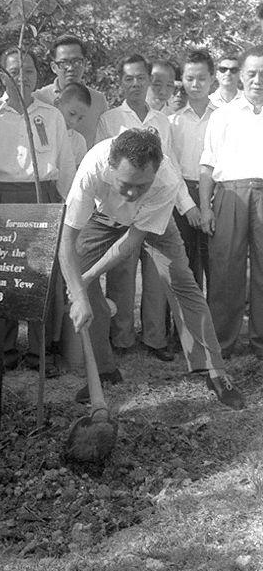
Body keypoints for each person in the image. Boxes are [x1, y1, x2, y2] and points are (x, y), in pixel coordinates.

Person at [58, 128, 244, 410]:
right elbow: (66, 242)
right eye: (125, 184)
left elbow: (130, 242)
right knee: (77, 276)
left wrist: (87, 278)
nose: (132, 193)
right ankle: (104, 371)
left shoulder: (167, 179)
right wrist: (80, 290)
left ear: (155, 173)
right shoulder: (92, 168)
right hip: (104, 217)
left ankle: (215, 371)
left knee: (182, 282)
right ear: (110, 166)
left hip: (152, 225)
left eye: (141, 186)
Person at [96, 54, 199, 362]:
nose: (135, 83)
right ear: (121, 82)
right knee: (122, 275)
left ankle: (155, 339)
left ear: (148, 79)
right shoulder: (110, 119)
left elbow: (171, 168)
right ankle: (123, 338)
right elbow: (105, 169)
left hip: (157, 210)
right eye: (128, 78)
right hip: (123, 208)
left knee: (157, 275)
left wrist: (188, 205)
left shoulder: (160, 120)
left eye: (141, 77)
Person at [0, 47, 76, 372]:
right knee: (4, 276)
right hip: (4, 196)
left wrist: (67, 208)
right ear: (2, 77)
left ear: (38, 76)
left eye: (29, 71)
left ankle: (41, 351)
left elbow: (64, 166)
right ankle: (4, 349)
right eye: (14, 71)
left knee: (42, 276)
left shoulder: (51, 116)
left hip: (43, 194)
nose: (23, 78)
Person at [200, 45, 263, 359]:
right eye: (251, 73)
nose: (257, 80)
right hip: (229, 194)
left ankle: (261, 342)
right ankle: (222, 342)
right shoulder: (222, 115)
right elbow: (207, 166)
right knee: (226, 270)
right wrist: (205, 206)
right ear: (241, 75)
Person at [170, 49, 216, 290]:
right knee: (184, 266)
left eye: (201, 78)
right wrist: (188, 206)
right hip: (181, 196)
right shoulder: (172, 122)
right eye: (189, 78)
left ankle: (216, 324)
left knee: (216, 264)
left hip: (217, 195)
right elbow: (171, 169)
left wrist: (207, 204)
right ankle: (182, 327)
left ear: (212, 79)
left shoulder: (222, 117)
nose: (195, 84)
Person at [35, 34, 108, 148]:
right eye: (63, 63)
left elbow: (104, 144)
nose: (70, 68)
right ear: (54, 67)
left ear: (84, 64)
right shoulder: (39, 98)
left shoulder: (98, 100)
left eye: (76, 61)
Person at [55, 82, 89, 167]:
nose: (73, 121)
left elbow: (79, 173)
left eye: (80, 118)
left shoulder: (79, 141)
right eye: (72, 113)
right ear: (57, 103)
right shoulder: (40, 130)